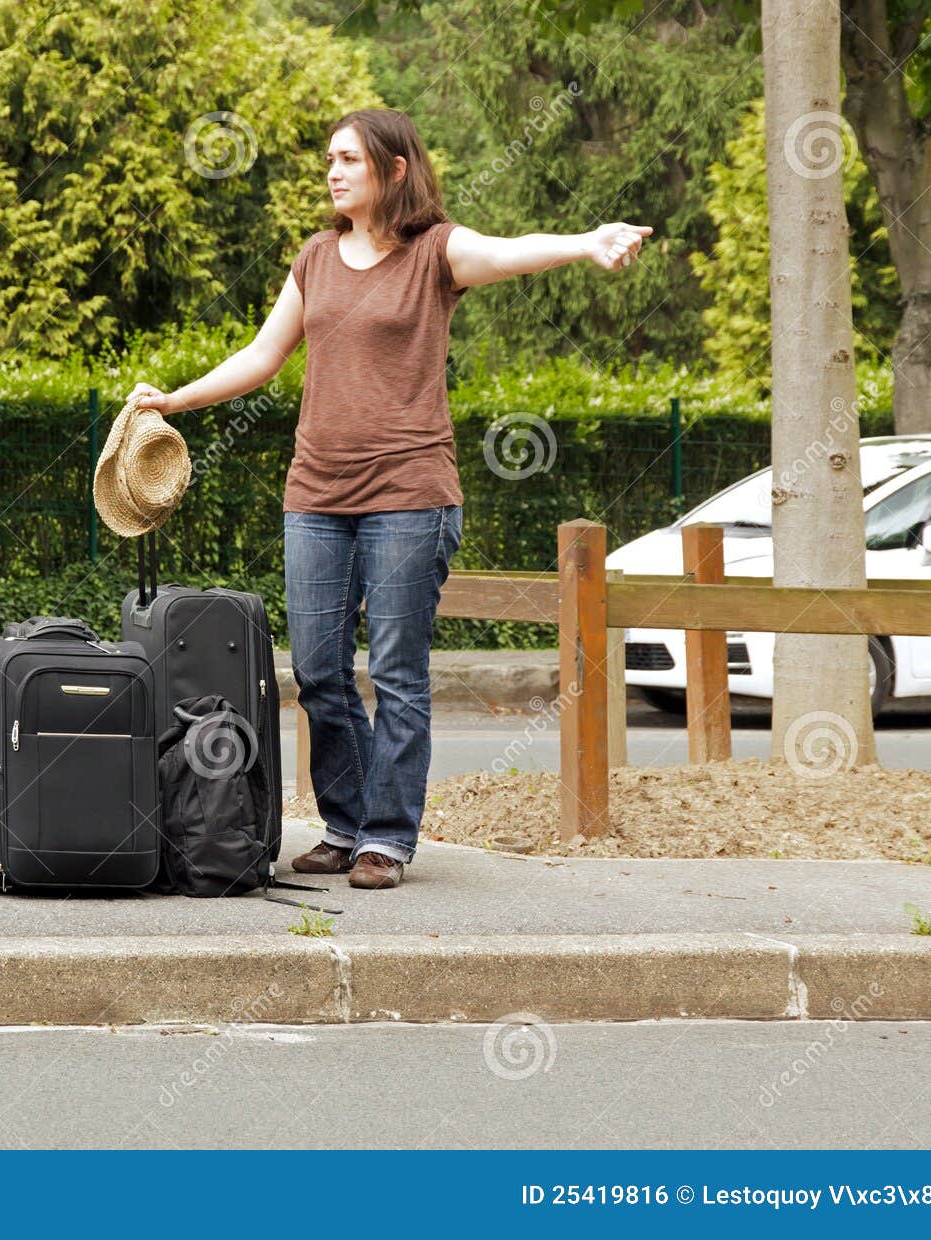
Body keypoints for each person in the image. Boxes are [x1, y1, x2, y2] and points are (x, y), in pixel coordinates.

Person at [129, 107, 650, 890]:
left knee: (399, 672)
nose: (332, 172)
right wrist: (174, 400)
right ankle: (345, 822)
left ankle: (387, 837)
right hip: (316, 493)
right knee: (319, 668)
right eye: (328, 159)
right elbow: (264, 356)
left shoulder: (436, 253)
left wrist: (587, 242)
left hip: (410, 494)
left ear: (394, 170)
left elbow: (511, 253)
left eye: (348, 159)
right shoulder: (315, 258)